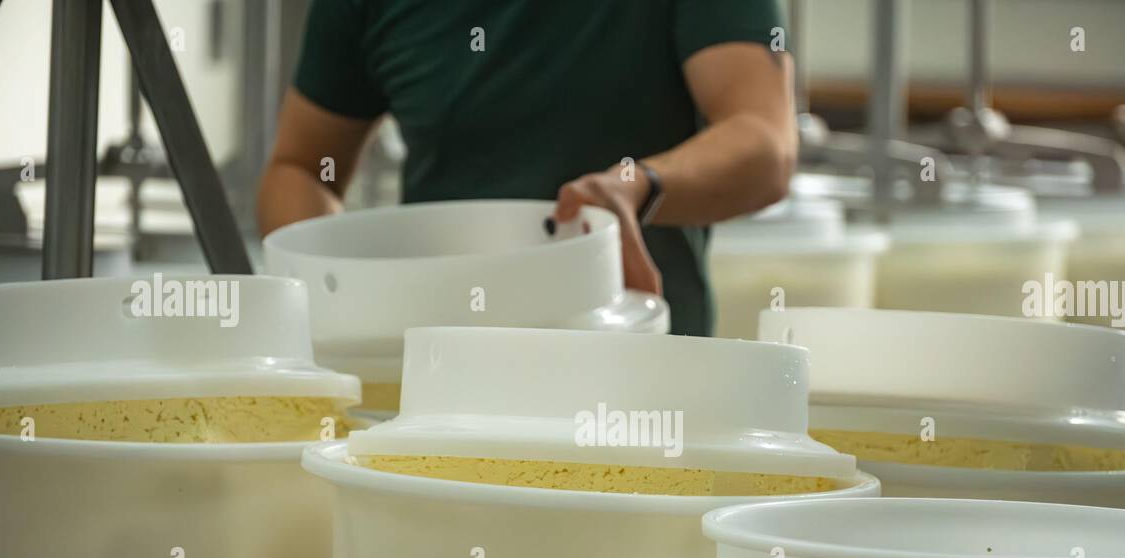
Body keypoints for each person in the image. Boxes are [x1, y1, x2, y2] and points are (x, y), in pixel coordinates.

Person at [257, 0, 796, 337]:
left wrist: (638, 184)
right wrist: (330, 297)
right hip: (438, 385)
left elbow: (764, 142)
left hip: (639, 384)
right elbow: (304, 167)